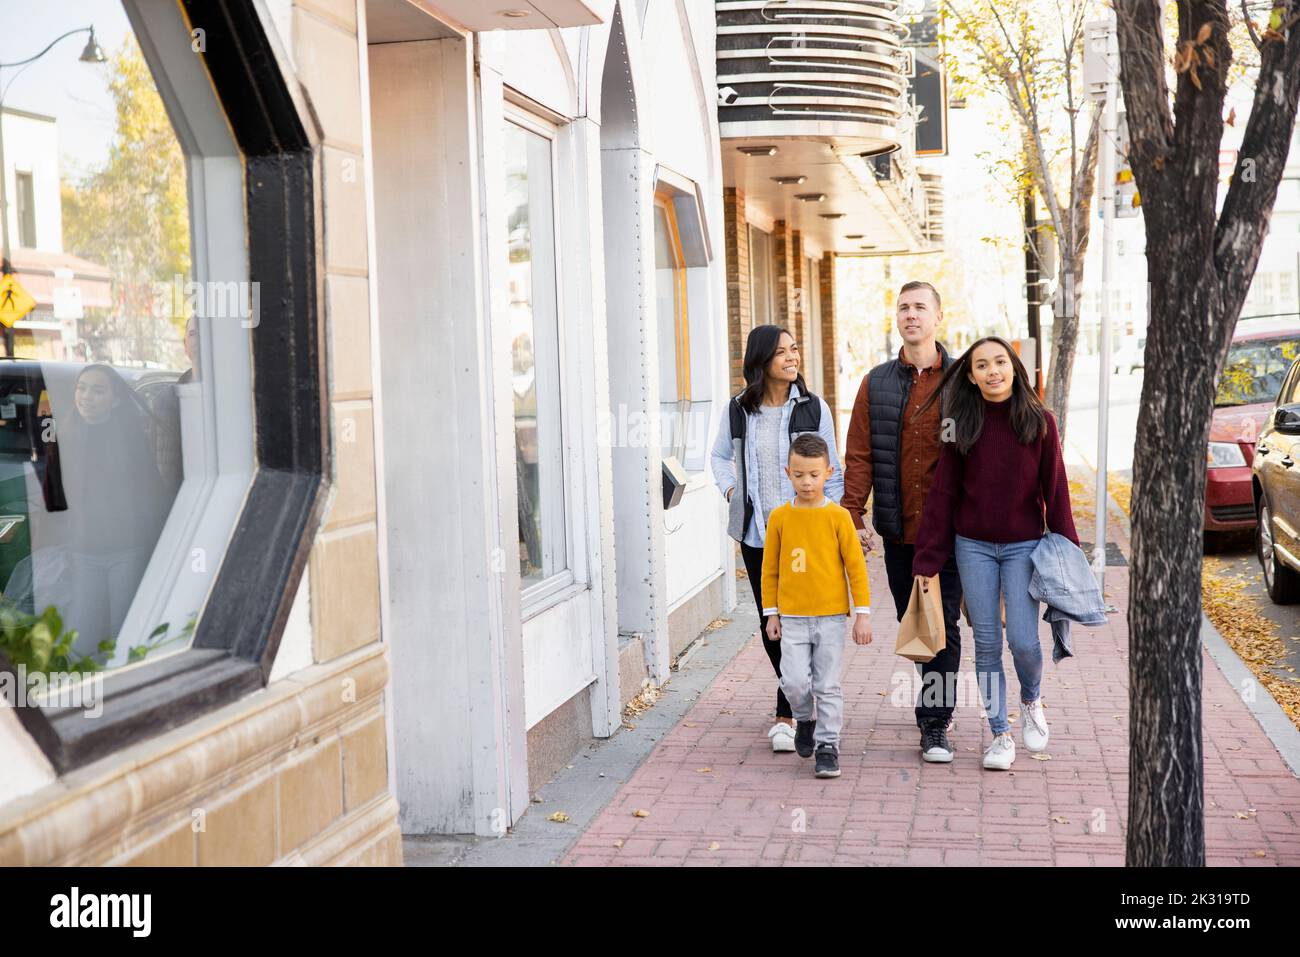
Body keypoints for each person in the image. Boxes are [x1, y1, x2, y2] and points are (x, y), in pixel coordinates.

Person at [911, 336, 1079, 771]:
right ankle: (1000, 734)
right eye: (982, 365)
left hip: (1025, 545)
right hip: (974, 547)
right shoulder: (960, 424)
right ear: (970, 375)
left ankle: (1031, 698)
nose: (992, 371)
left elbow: (1056, 492)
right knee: (986, 644)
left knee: (1023, 640)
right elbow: (943, 494)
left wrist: (1071, 557)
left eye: (1000, 362)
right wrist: (927, 560)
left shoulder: (1040, 421)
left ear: (1013, 367)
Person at [841, 280, 963, 763]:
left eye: (919, 308)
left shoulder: (962, 380)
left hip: (950, 531)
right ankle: (935, 705)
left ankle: (935, 723)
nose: (910, 315)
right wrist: (853, 511)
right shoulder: (876, 382)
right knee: (916, 623)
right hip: (898, 530)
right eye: (903, 308)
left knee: (944, 624)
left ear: (938, 317)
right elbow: (859, 453)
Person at [710, 325, 844, 753]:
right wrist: (733, 492)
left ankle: (790, 713)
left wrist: (831, 519)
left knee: (802, 620)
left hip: (804, 534)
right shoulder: (739, 409)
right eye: (783, 351)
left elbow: (833, 468)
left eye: (795, 348)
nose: (792, 357)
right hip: (757, 534)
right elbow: (718, 457)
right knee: (773, 623)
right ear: (762, 359)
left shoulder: (812, 408)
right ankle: (794, 706)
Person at [761, 434, 872, 778]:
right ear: (787, 473)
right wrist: (771, 613)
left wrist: (862, 615)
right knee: (793, 681)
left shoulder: (838, 517)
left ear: (828, 472)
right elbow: (770, 569)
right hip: (792, 618)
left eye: (813, 474)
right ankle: (805, 717)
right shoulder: (780, 517)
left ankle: (828, 745)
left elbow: (856, 568)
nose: (806, 482)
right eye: (798, 475)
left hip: (831, 618)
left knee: (827, 684)